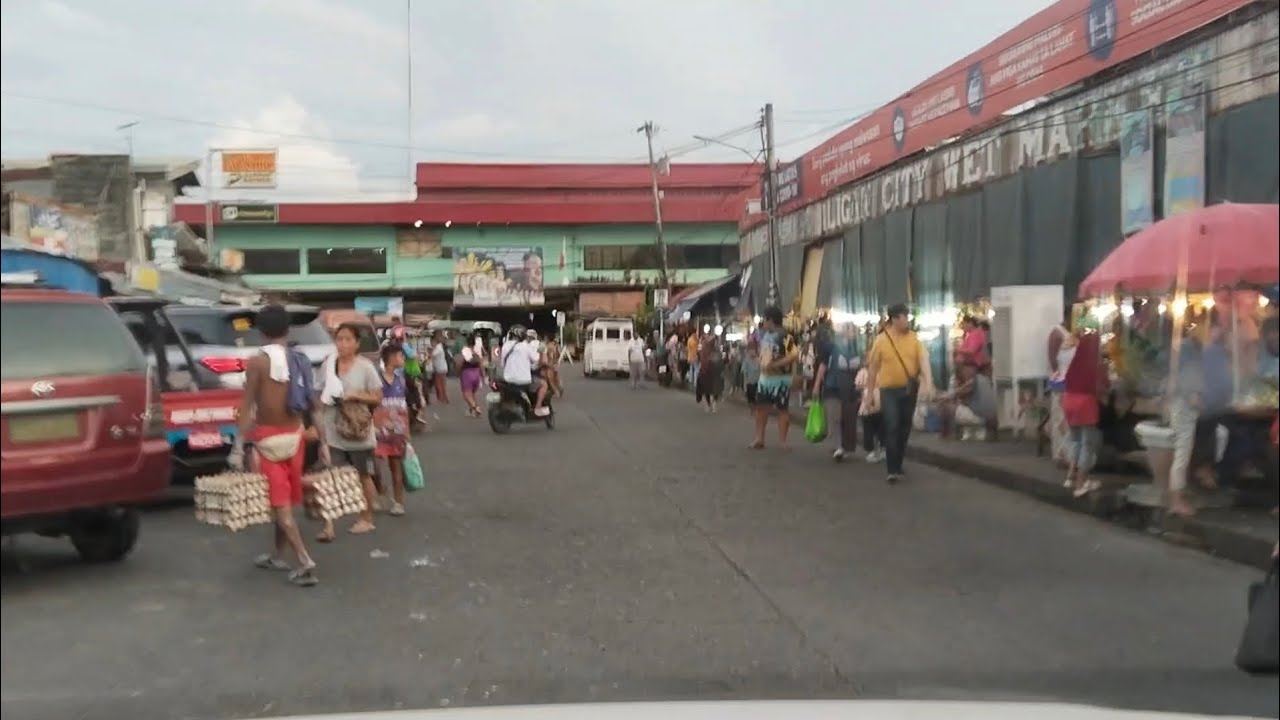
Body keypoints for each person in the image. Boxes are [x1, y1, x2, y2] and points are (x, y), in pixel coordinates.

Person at [229, 304, 326, 587]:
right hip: (295, 437)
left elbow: (247, 408)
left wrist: (237, 448)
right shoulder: (300, 360)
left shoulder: (257, 362)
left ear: (261, 332)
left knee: (280, 507)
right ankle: (276, 555)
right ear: (288, 329)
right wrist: (324, 443)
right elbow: (315, 406)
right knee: (284, 502)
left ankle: (304, 560)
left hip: (268, 441)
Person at [317, 323, 384, 541]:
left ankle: (366, 518)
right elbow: (319, 392)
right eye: (339, 339)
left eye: (348, 339)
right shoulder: (329, 364)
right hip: (333, 428)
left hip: (357, 430)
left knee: (362, 475)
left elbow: (377, 397)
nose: (343, 344)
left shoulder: (365, 367)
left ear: (356, 344)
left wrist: (355, 395)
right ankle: (328, 525)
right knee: (330, 477)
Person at [865, 303, 935, 484]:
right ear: (895, 319)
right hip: (889, 390)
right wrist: (869, 394)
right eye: (904, 317)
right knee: (892, 424)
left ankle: (897, 461)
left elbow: (923, 360)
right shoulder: (881, 341)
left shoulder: (914, 339)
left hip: (909, 389)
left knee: (904, 428)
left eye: (907, 316)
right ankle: (892, 469)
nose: (907, 320)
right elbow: (872, 370)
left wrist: (929, 382)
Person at [1062, 331, 1107, 498]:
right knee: (1087, 444)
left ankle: (1071, 477)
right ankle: (1080, 485)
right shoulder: (1094, 363)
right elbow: (1103, 384)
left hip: (1068, 401)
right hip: (1085, 403)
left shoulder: (1075, 360)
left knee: (1076, 441)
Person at [750, 306, 799, 449]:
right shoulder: (765, 335)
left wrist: (775, 364)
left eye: (764, 319)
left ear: (770, 320)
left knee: (782, 409)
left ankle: (782, 441)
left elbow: (794, 355)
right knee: (761, 409)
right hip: (765, 378)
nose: (763, 322)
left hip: (780, 379)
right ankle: (759, 438)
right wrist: (759, 359)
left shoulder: (785, 336)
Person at [813, 319, 860, 461]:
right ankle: (838, 446)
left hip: (851, 389)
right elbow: (823, 365)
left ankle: (845, 446)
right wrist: (816, 385)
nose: (852, 332)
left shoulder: (858, 348)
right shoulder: (831, 347)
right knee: (835, 417)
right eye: (849, 329)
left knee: (848, 418)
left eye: (853, 330)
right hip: (832, 386)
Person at [374, 343, 410, 516]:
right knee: (374, 466)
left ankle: (398, 502)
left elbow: (404, 407)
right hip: (379, 431)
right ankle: (380, 491)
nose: (403, 359)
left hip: (397, 431)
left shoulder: (400, 381)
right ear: (391, 358)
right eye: (401, 356)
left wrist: (406, 431)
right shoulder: (376, 380)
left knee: (396, 467)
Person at [501, 326, 549, 416]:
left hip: (508, 381)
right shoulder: (525, 346)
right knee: (543, 384)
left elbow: (502, 364)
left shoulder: (505, 346)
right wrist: (542, 351)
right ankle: (538, 407)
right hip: (524, 382)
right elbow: (537, 360)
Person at [457, 333, 486, 417]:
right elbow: (481, 364)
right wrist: (483, 376)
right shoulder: (477, 351)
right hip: (476, 373)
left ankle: (475, 407)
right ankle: (471, 410)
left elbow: (460, 362)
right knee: (472, 393)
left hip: (467, 373)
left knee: (466, 393)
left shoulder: (465, 350)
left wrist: (458, 372)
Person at [696, 332, 724, 412]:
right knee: (705, 386)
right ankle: (709, 403)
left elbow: (720, 360)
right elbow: (702, 359)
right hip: (706, 370)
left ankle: (713, 403)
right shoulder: (705, 348)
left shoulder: (717, 350)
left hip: (714, 370)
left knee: (716, 385)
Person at [429, 331, 450, 404]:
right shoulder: (440, 347)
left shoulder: (438, 348)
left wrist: (431, 350)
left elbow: (432, 355)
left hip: (439, 368)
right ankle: (445, 398)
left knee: (439, 384)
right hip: (443, 367)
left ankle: (441, 398)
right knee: (443, 384)